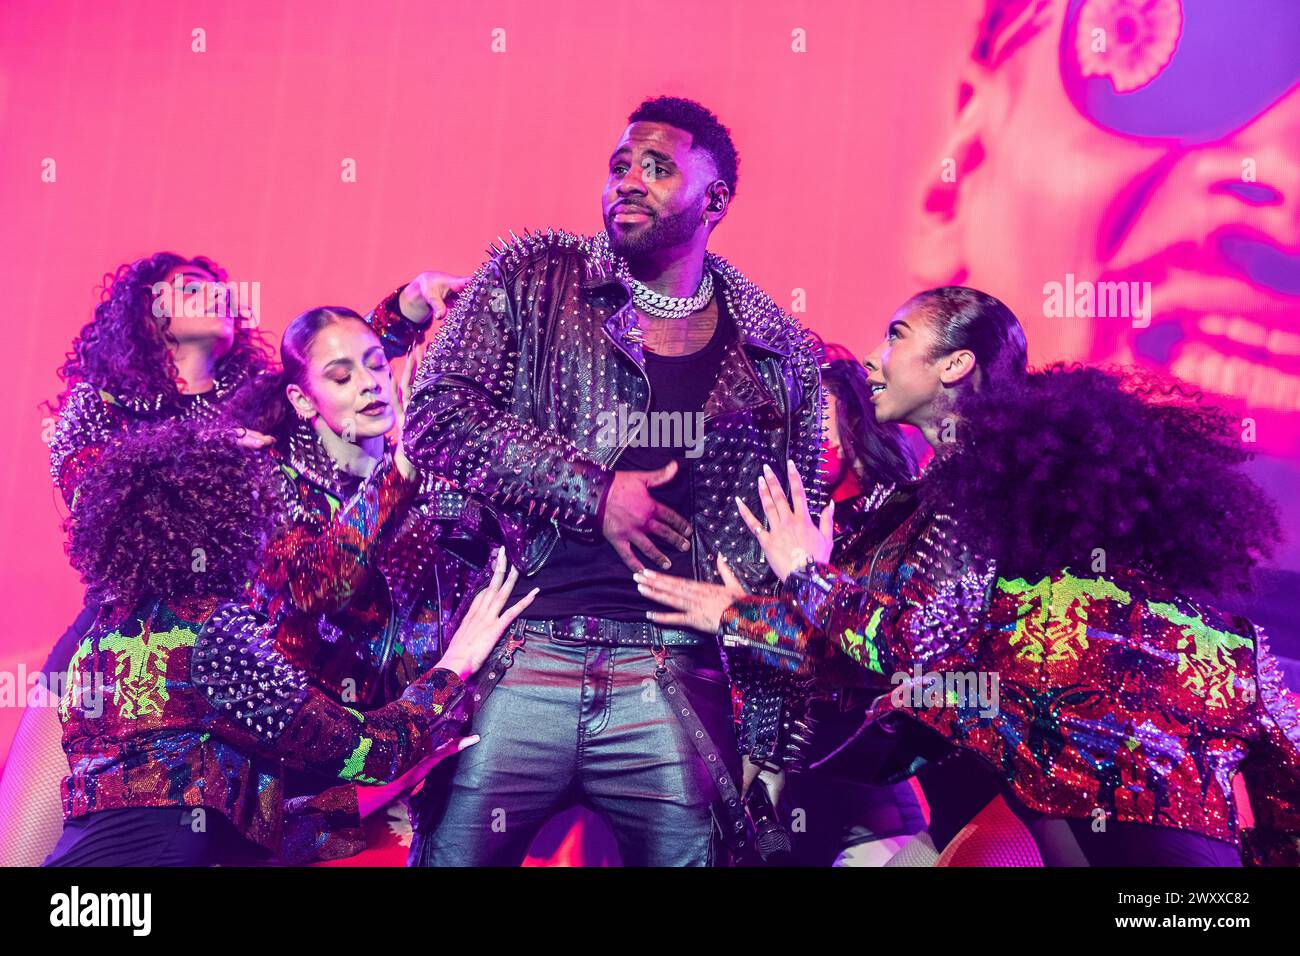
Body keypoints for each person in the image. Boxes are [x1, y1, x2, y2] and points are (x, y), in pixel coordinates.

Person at [639, 286, 1300, 866]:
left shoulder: (985, 494)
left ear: (955, 365)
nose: (875, 357)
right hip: (1063, 786)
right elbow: (882, 640)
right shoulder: (978, 495)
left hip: (1100, 790)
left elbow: (906, 642)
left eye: (897, 334)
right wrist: (746, 609)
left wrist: (799, 577)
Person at [401, 95, 826, 866]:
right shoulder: (533, 277)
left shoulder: (775, 350)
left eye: (659, 168)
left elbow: (797, 559)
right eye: (620, 164)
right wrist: (591, 492)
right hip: (520, 650)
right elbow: (434, 418)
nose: (629, 180)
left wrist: (771, 746)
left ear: (716, 200)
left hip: (677, 669)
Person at [44, 418, 532, 866]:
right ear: (227, 527)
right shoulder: (213, 637)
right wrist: (455, 665)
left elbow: (248, 830)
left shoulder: (101, 640)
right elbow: (370, 750)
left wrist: (399, 781)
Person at [779, 345, 927, 866]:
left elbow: (872, 651)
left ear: (855, 419)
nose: (796, 434)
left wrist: (732, 612)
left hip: (868, 787)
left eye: (811, 415)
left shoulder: (904, 514)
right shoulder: (791, 521)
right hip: (791, 787)